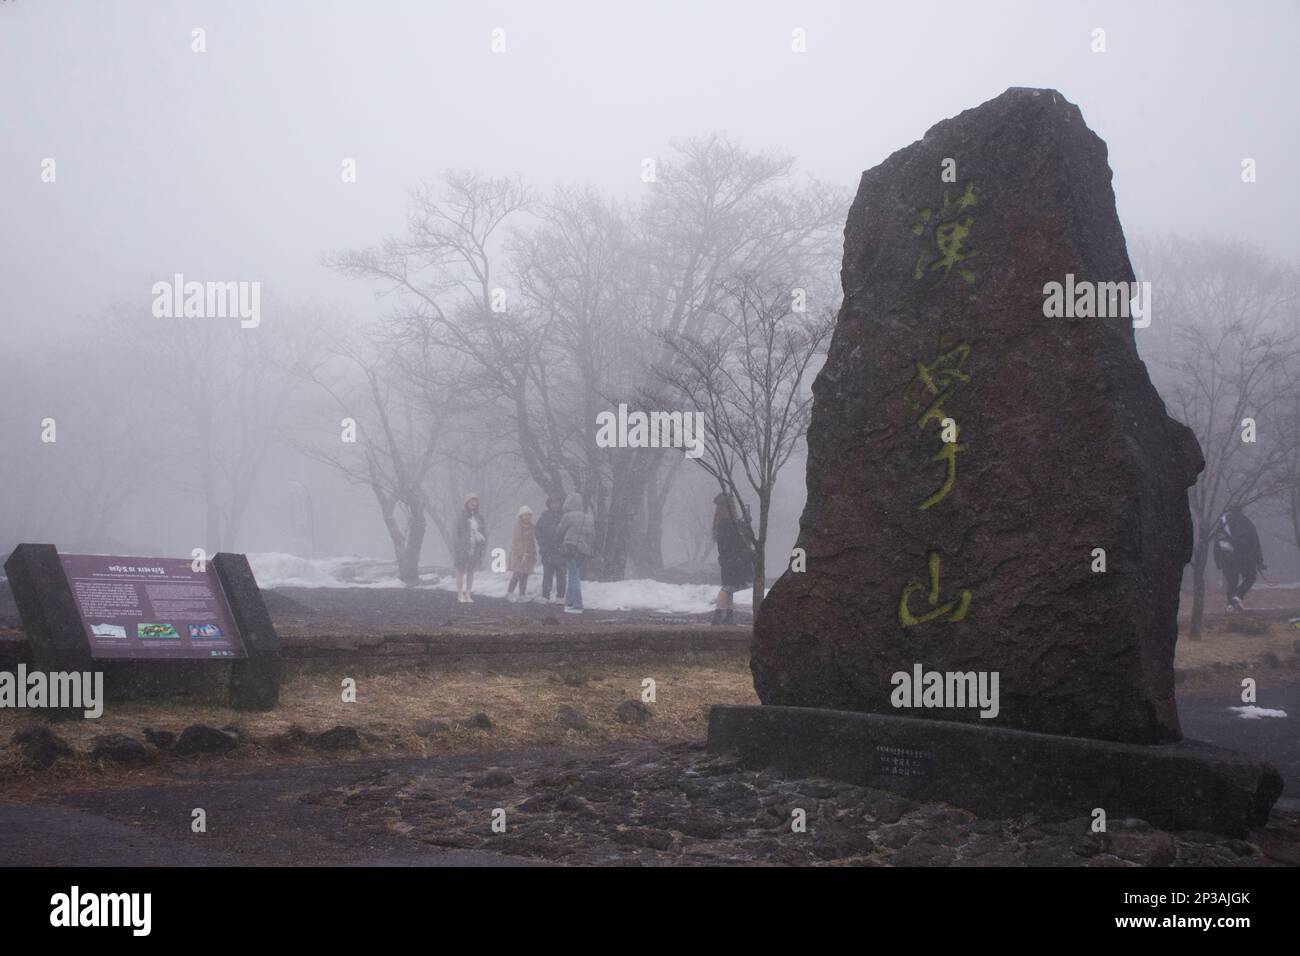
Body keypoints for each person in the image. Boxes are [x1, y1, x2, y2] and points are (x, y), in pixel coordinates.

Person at [1213, 504, 1266, 612]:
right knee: (1250, 577)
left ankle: (1230, 606)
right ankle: (1237, 597)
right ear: (1241, 510)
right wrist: (1259, 561)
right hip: (1245, 556)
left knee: (1232, 581)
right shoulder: (1246, 522)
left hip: (1227, 557)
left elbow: (1217, 543)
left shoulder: (1222, 524)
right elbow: (1255, 543)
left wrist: (1217, 560)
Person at [711, 491, 753, 626]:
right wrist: (745, 523)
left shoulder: (723, 523)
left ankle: (728, 616)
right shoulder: (726, 523)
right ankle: (718, 616)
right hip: (732, 560)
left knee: (729, 588)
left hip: (728, 560)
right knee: (727, 588)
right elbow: (739, 539)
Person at [555, 492, 595, 614]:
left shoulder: (568, 516)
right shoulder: (589, 518)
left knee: (573, 576)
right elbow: (593, 536)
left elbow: (559, 531)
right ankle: (569, 603)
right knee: (574, 574)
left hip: (570, 548)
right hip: (584, 550)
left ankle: (577, 604)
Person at [453, 493, 487, 603]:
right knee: (460, 571)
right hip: (463, 548)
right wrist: (458, 548)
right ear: (466, 503)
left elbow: (484, 532)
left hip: (475, 548)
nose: (473, 503)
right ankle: (459, 594)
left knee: (471, 571)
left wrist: (482, 544)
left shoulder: (479, 517)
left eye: (475, 501)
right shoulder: (461, 516)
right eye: (471, 501)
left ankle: (468, 593)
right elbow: (456, 533)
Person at [534, 493, 567, 604]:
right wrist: (543, 543)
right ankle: (545, 596)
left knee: (561, 575)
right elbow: (538, 530)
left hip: (561, 551)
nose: (555, 505)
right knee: (547, 575)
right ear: (549, 504)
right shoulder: (544, 516)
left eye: (557, 503)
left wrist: (564, 545)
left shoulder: (565, 516)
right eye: (553, 503)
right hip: (547, 551)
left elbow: (568, 532)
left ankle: (560, 597)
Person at [507, 505, 537, 602]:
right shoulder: (518, 526)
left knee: (525, 575)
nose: (527, 517)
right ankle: (509, 592)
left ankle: (522, 594)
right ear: (521, 516)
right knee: (517, 574)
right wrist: (522, 553)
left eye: (529, 515)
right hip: (519, 555)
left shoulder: (532, 527)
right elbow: (517, 541)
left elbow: (532, 541)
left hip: (528, 555)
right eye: (525, 515)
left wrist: (533, 554)